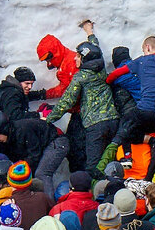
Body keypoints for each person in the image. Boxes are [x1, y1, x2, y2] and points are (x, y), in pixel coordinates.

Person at [42, 33, 120, 174]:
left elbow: (67, 101)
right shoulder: (101, 68)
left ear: (84, 59)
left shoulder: (80, 77)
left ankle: (93, 194)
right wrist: (90, 34)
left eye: (78, 56)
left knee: (92, 166)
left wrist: (48, 119)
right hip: (113, 120)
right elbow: (96, 49)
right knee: (109, 160)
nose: (75, 58)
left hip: (94, 125)